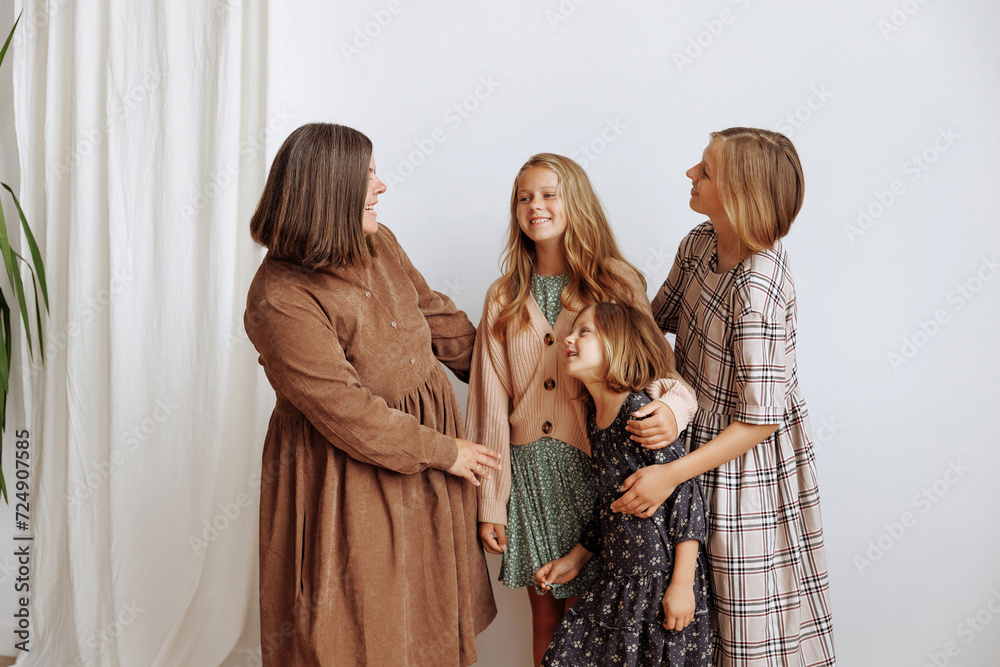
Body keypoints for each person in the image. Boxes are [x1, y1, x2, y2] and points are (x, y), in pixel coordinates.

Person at [243, 122, 500, 667]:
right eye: (367, 176)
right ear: (327, 189)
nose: (381, 187)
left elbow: (435, 315)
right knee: (361, 629)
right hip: (349, 478)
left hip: (423, 463)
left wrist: (508, 380)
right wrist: (446, 451)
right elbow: (349, 413)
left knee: (426, 616)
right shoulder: (280, 297)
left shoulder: (377, 241)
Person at [612, 127, 836, 665]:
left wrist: (671, 473)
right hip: (688, 431)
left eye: (705, 170)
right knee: (680, 621)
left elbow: (760, 422)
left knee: (742, 623)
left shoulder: (755, 289)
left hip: (742, 465)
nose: (691, 173)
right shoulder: (700, 243)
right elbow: (655, 320)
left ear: (740, 196)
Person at [465, 153, 698, 665]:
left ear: (577, 202)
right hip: (529, 477)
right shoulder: (503, 296)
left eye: (549, 194)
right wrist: (489, 501)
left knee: (600, 620)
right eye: (524, 197)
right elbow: (487, 403)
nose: (535, 206)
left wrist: (675, 414)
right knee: (547, 613)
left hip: (599, 473)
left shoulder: (614, 283)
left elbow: (661, 372)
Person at [535, 302, 713, 667]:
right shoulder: (596, 421)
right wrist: (576, 558)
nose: (569, 338)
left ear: (617, 345)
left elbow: (688, 498)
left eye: (584, 331)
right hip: (620, 580)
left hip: (659, 584)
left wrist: (681, 585)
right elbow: (610, 504)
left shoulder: (639, 414)